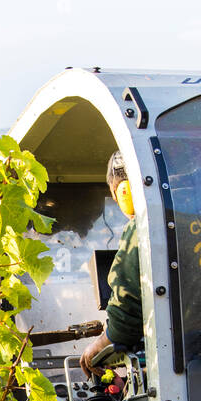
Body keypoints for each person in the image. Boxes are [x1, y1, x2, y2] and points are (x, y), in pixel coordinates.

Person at [80, 151, 142, 376]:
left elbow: (128, 315)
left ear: (126, 191)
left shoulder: (144, 229)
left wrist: (100, 345)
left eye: (116, 194)